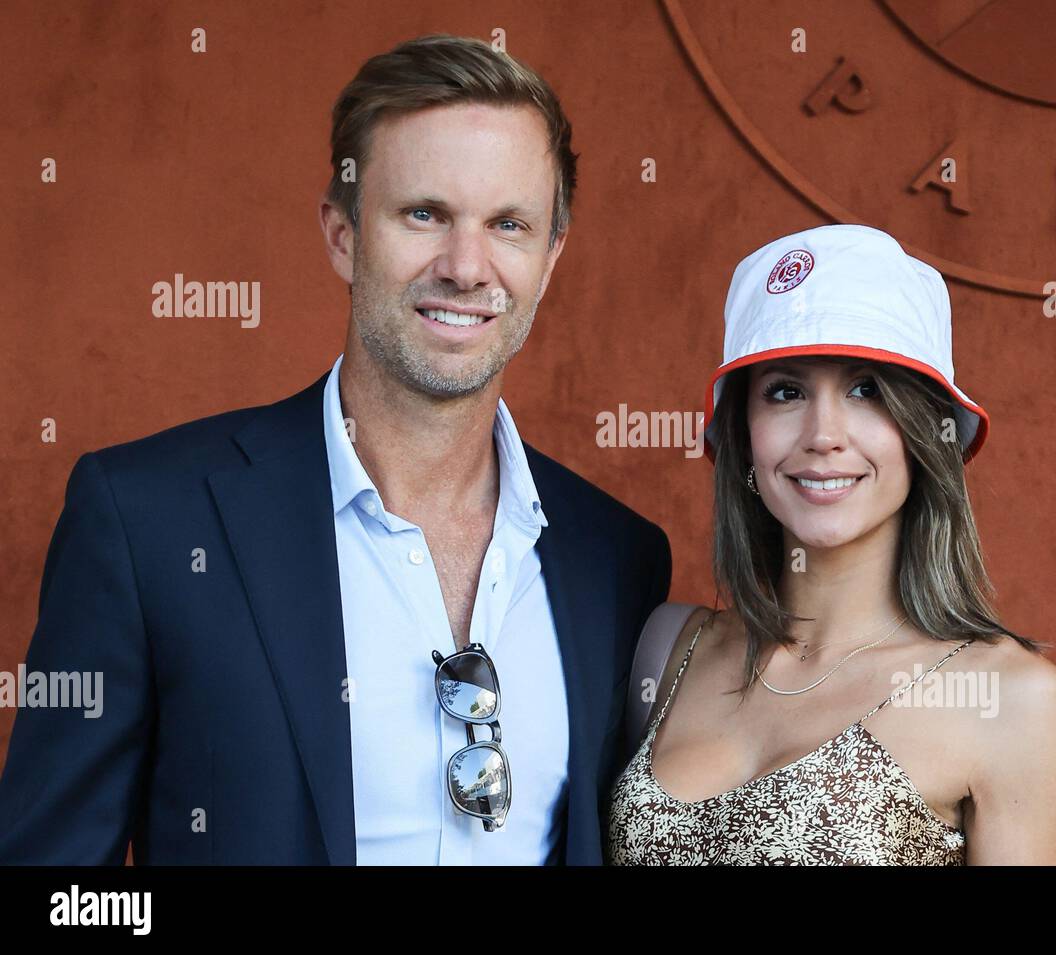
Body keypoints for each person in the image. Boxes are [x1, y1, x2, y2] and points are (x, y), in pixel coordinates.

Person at [0, 34, 670, 866]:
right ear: (343, 234)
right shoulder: (148, 522)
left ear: (551, 253)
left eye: (508, 224)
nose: (467, 266)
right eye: (423, 213)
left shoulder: (618, 560)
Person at [606, 224, 1056, 865]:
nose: (824, 435)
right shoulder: (669, 648)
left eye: (866, 390)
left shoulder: (1014, 699)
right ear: (744, 435)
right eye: (785, 391)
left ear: (925, 433)